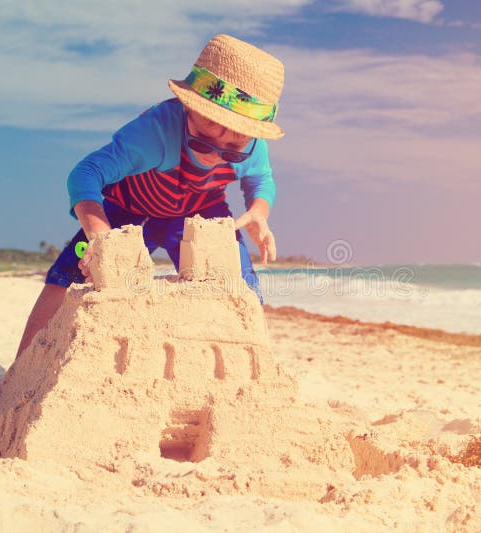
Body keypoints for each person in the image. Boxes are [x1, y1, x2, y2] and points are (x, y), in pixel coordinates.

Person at [15, 34, 285, 358]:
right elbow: (86, 173)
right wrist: (100, 234)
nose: (217, 153)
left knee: (241, 288)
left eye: (233, 149)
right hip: (129, 208)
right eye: (204, 140)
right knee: (67, 278)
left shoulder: (252, 144)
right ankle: (22, 366)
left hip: (200, 210)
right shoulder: (154, 132)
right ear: (188, 107)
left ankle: (255, 368)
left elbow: (260, 180)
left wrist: (259, 210)